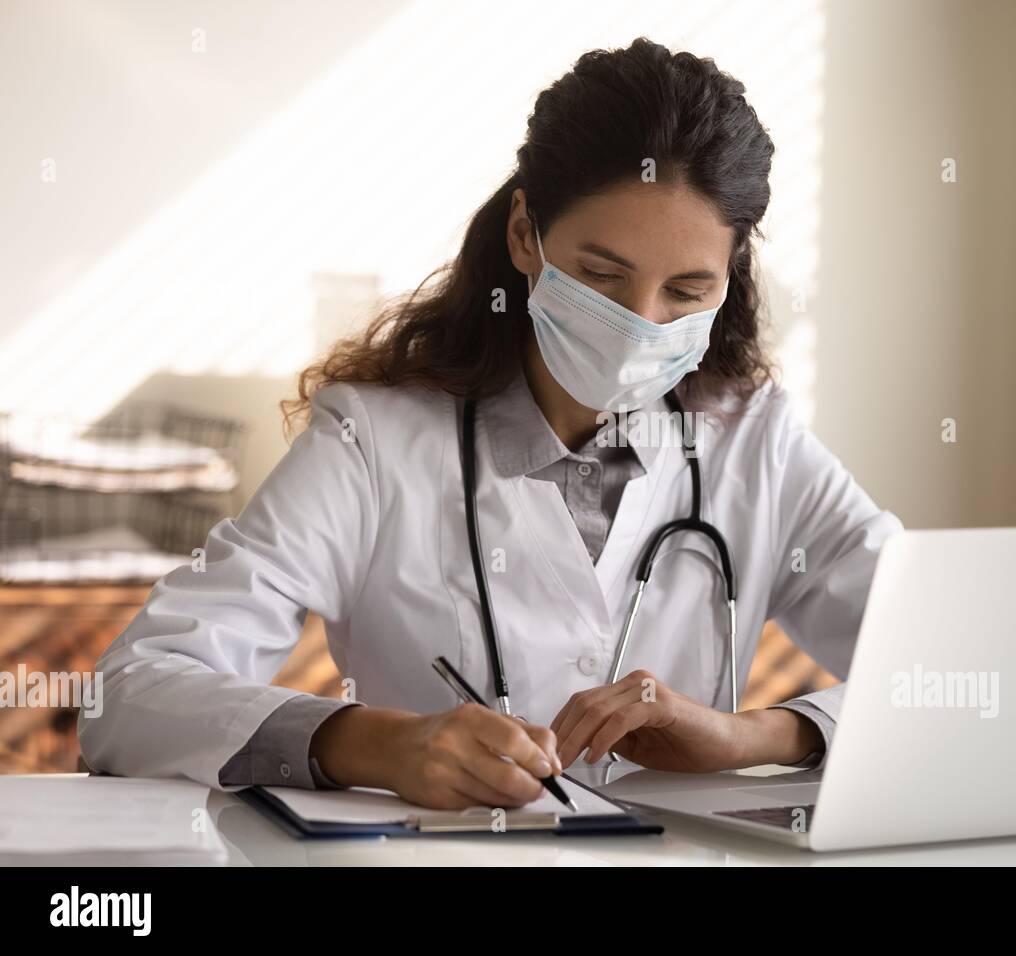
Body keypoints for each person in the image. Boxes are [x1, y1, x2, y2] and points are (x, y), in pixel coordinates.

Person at [78, 37, 902, 810]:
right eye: (602, 274)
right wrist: (376, 745)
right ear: (524, 237)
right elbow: (130, 694)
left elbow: (963, 675)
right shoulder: (375, 442)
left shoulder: (755, 441)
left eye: (685, 292)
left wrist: (748, 735)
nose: (641, 322)